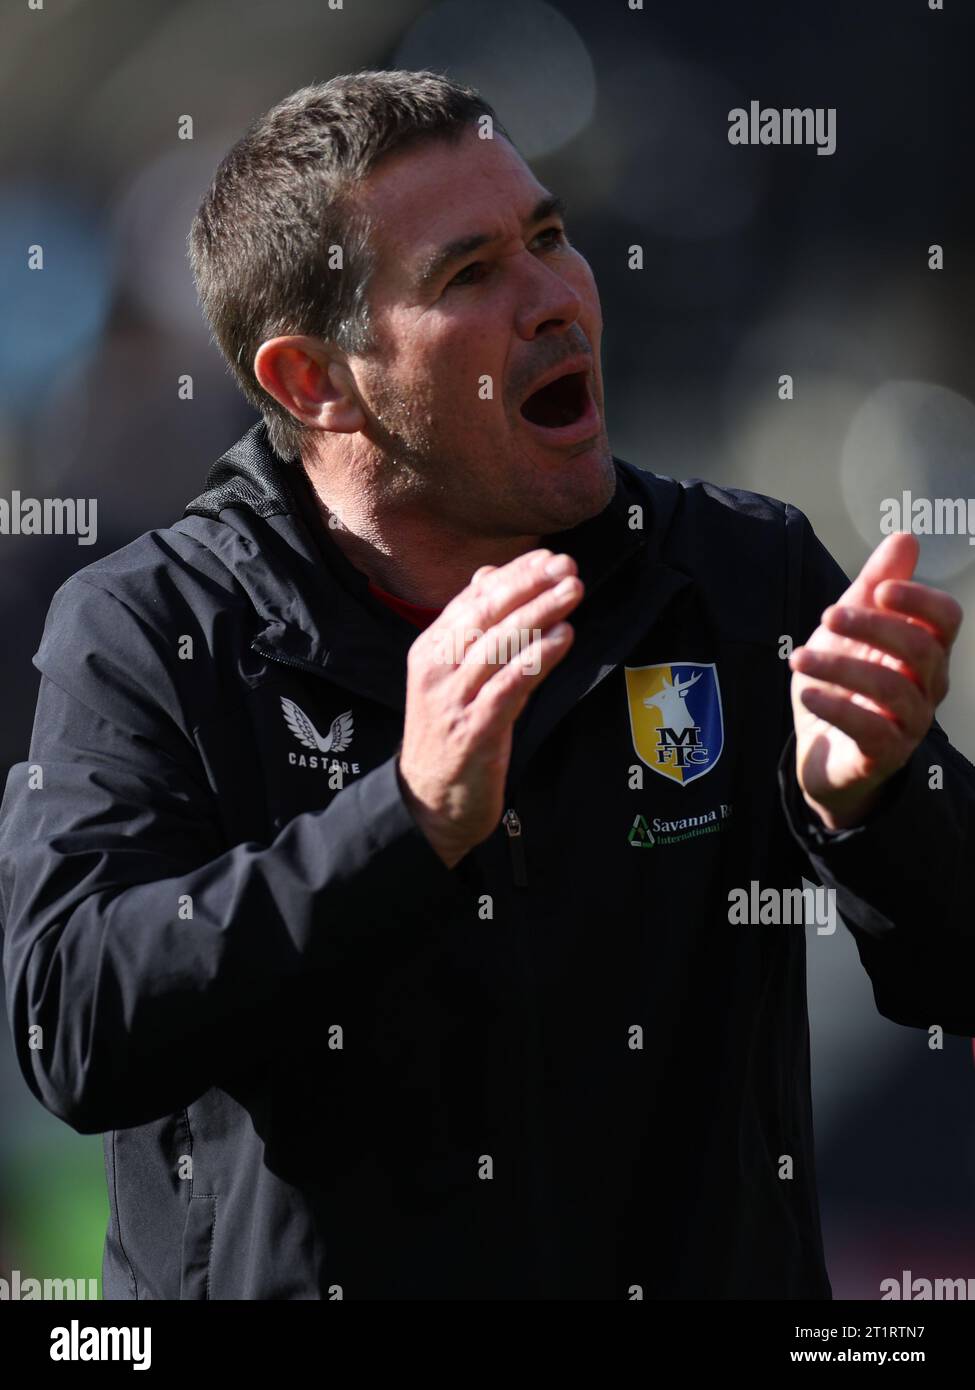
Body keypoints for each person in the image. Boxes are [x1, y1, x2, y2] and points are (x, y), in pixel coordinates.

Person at [1, 69, 972, 1301]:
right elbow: (72, 1028)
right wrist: (402, 822)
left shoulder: (738, 576)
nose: (556, 299)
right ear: (315, 383)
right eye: (470, 274)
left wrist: (878, 808)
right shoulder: (149, 629)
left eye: (551, 239)